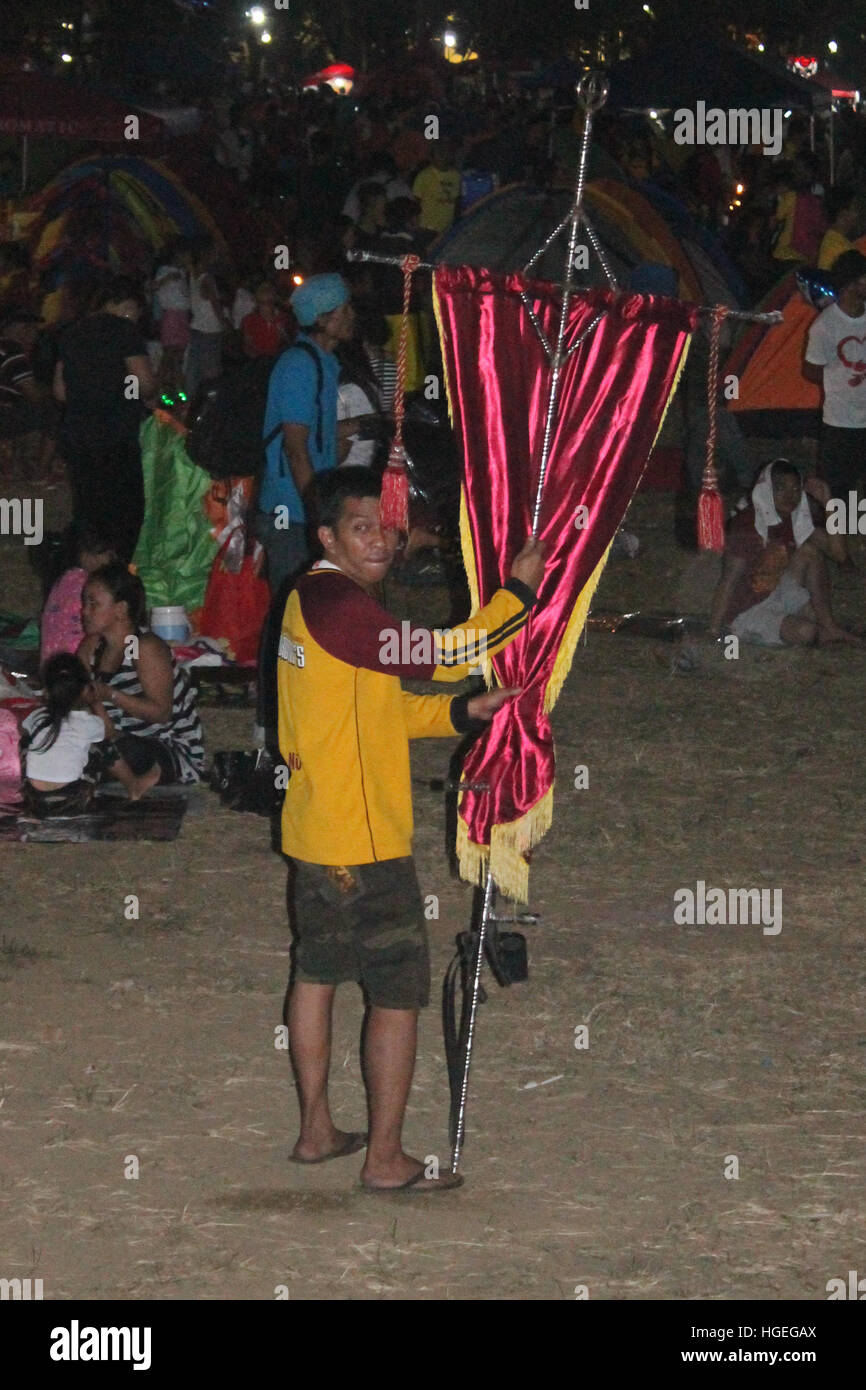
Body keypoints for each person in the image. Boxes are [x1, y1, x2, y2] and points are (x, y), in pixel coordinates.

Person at [277, 466, 546, 1191]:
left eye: (388, 527)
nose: (382, 542)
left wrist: (460, 714)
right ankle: (387, 1159)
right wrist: (517, 595)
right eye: (362, 527)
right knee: (396, 993)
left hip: (315, 834)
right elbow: (443, 650)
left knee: (317, 975)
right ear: (327, 535)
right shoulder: (340, 606)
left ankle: (316, 1132)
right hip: (363, 845)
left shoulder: (314, 603)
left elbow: (382, 710)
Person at [255, 273, 355, 594]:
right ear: (323, 318)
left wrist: (363, 426)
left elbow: (317, 435)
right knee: (291, 605)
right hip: (290, 509)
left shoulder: (323, 361)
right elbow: (295, 449)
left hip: (303, 505)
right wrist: (317, 512)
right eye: (345, 309)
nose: (352, 316)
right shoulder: (299, 364)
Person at [77, 563, 205, 797]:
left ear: (121, 609)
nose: (84, 611)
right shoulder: (92, 647)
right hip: (115, 739)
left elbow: (161, 713)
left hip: (163, 743)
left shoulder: (142, 646)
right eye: (85, 603)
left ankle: (140, 775)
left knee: (122, 749)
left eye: (93, 603)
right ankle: (123, 776)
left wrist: (110, 695)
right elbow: (90, 708)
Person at [54, 276, 156, 563]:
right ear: (126, 304)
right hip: (116, 434)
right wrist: (136, 394)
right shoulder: (124, 331)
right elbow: (144, 382)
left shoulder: (71, 333)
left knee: (89, 510)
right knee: (124, 511)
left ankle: (86, 572)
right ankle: (117, 573)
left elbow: (60, 392)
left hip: (78, 436)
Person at [708, 460, 856, 647]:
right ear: (767, 490)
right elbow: (729, 580)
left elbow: (839, 554)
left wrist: (827, 502)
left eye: (795, 489)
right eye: (781, 489)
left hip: (775, 589)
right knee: (806, 632)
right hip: (746, 608)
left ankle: (830, 629)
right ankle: (744, 632)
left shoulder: (793, 518)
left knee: (809, 554)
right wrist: (713, 630)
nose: (790, 496)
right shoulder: (747, 524)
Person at [804, 249, 866, 501]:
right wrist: (840, 377)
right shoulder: (825, 325)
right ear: (852, 283)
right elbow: (810, 369)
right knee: (838, 493)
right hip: (840, 422)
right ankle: (841, 538)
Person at [20, 653, 106, 816]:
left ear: (46, 691)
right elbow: (109, 733)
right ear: (85, 690)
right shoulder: (90, 722)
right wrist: (96, 701)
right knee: (101, 746)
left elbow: (23, 732)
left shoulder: (37, 716)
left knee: (27, 740)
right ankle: (89, 796)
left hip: (35, 798)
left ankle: (31, 789)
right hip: (71, 797)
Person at [40, 525, 116, 666]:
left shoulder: (66, 579)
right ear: (89, 555)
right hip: (74, 668)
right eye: (109, 554)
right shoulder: (88, 584)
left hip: (52, 667)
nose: (111, 560)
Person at [0, 307, 53, 483]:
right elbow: (33, 394)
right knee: (54, 412)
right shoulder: (11, 349)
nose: (35, 337)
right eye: (32, 330)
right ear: (22, 330)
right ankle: (38, 471)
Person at [412, 140, 461, 240]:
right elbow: (415, 202)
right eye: (440, 154)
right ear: (432, 157)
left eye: (447, 153)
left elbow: (458, 202)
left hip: (447, 229)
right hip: (427, 228)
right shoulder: (424, 176)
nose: (444, 157)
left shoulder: (457, 176)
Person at [241, 280, 291, 360]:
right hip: (257, 360)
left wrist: (283, 335)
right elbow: (247, 344)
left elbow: (288, 342)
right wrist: (257, 357)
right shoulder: (249, 320)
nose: (266, 306)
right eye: (262, 302)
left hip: (277, 359)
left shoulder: (282, 319)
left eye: (269, 302)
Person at [817, 185, 862, 270]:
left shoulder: (834, 239)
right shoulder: (839, 247)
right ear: (843, 213)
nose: (858, 214)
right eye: (855, 209)